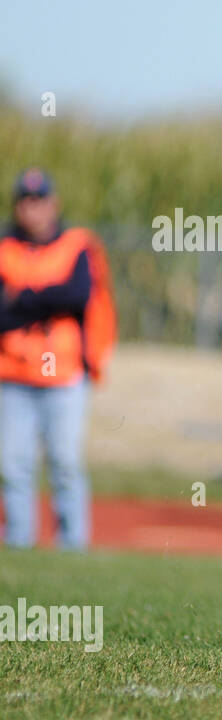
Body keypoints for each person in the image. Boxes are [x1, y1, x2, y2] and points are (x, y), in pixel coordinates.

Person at [0, 168, 116, 550]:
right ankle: (19, 541)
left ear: (54, 204)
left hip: (64, 373)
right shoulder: (6, 247)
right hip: (13, 373)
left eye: (39, 201)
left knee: (65, 462)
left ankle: (72, 545)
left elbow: (77, 295)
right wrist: (45, 298)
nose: (32, 210)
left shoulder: (77, 244)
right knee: (13, 464)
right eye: (25, 202)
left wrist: (25, 297)